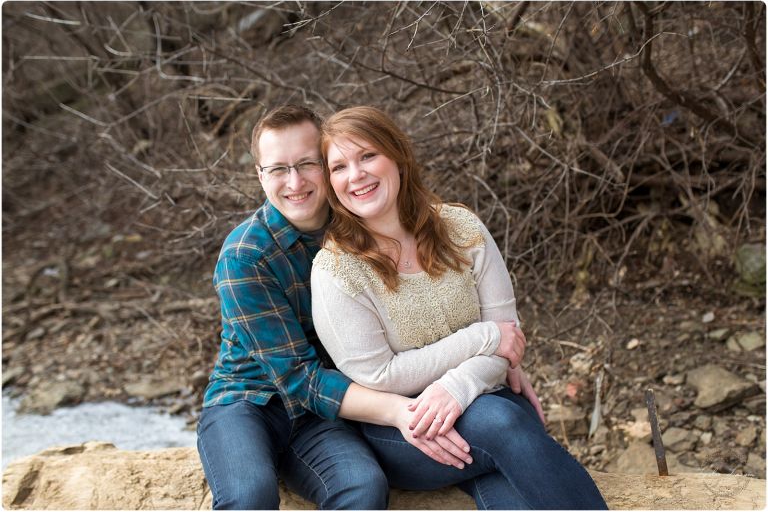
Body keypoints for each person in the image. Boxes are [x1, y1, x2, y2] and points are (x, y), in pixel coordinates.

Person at [197, 105, 530, 510]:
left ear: (327, 165)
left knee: (363, 486)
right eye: (278, 169)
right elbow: (299, 378)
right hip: (249, 402)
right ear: (260, 175)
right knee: (249, 494)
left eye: (307, 164)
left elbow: (421, 313)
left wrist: (495, 364)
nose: (295, 182)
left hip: (325, 415)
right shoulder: (245, 256)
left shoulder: (364, 221)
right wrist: (400, 411)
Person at [311, 105, 609, 509]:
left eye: (368, 156)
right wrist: (483, 337)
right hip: (405, 427)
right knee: (501, 423)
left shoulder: (460, 227)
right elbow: (378, 374)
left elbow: (509, 335)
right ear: (331, 183)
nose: (356, 175)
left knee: (505, 467)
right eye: (339, 167)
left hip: (488, 394)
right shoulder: (336, 269)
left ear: (397, 156)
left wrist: (457, 386)